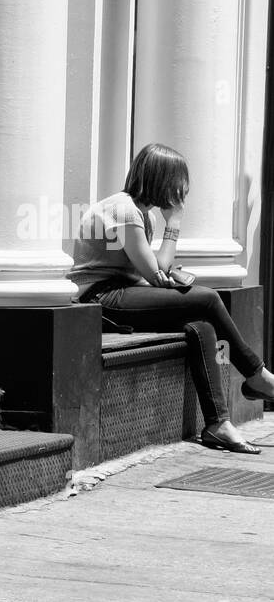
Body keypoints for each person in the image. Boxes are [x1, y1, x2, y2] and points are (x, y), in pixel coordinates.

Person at [69, 143, 274, 454]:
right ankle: (257, 375)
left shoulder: (142, 215)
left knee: (201, 325)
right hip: (100, 298)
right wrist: (174, 224)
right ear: (160, 179)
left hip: (124, 290)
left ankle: (218, 423)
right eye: (179, 182)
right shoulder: (123, 209)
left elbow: (154, 270)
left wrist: (163, 270)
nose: (183, 191)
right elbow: (156, 271)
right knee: (207, 299)